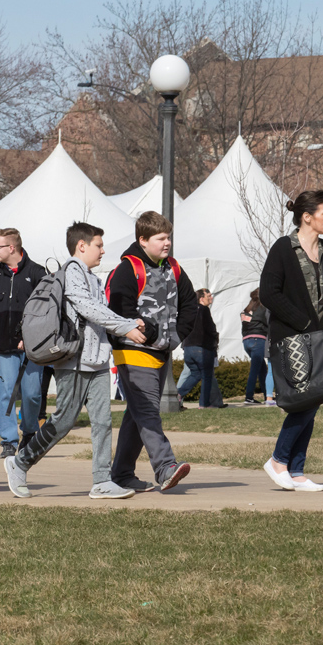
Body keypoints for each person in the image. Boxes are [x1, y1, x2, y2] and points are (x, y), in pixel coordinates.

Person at [3, 222, 146, 499]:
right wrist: (125, 325)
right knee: (63, 422)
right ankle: (20, 463)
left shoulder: (91, 276)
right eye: (99, 245)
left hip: (98, 360)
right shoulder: (71, 272)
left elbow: (99, 313)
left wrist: (127, 323)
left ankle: (102, 481)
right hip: (74, 359)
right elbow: (87, 308)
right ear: (82, 246)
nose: (103, 250)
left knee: (103, 422)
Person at [106, 211, 197, 492]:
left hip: (162, 352)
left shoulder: (174, 267)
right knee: (147, 411)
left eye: (168, 237)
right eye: (160, 238)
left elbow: (190, 303)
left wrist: (177, 336)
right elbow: (120, 313)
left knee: (137, 414)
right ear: (143, 240)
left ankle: (121, 474)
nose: (167, 243)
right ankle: (165, 467)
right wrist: (152, 334)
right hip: (132, 352)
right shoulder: (127, 269)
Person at [260, 190, 323, 493]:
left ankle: (296, 470)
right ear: (307, 217)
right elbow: (269, 293)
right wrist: (304, 323)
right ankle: (279, 460)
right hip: (292, 338)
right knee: (306, 400)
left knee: (316, 397)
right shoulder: (283, 248)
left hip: (319, 338)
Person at [0, 227, 47, 458]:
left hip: (32, 348)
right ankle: (9, 441)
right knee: (6, 394)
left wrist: (30, 337)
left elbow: (46, 312)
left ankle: (30, 432)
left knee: (31, 394)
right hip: (4, 347)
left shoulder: (38, 273)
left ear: (11, 247)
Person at [178, 288, 222, 408]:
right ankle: (204, 404)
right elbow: (210, 329)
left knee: (195, 374)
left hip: (188, 348)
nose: (211, 298)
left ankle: (179, 394)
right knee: (207, 376)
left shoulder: (188, 310)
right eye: (208, 296)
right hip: (201, 348)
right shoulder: (204, 310)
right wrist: (215, 340)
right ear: (201, 298)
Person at [241, 288, 269, 404]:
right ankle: (249, 397)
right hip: (259, 340)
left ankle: (267, 396)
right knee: (254, 370)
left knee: (262, 370)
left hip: (246, 341)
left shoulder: (247, 309)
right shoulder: (264, 308)